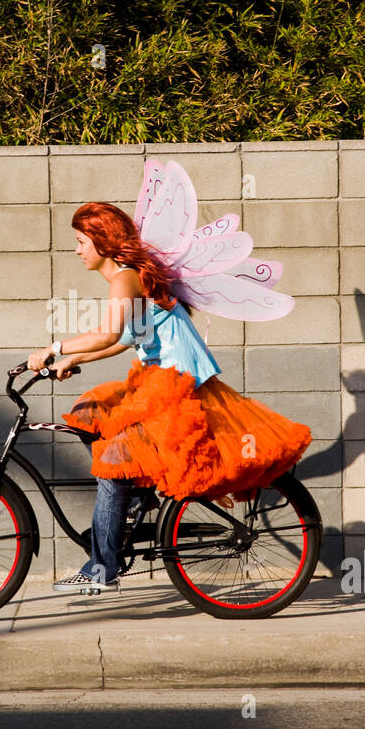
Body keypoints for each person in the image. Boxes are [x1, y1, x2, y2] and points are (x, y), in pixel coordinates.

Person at [27, 201, 313, 593]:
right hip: (159, 379)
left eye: (80, 241)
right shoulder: (132, 279)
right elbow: (130, 338)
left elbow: (110, 333)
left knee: (113, 462)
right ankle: (134, 503)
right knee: (92, 416)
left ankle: (103, 568)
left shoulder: (124, 278)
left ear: (102, 241)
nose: (77, 250)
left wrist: (54, 347)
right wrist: (75, 358)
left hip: (173, 385)